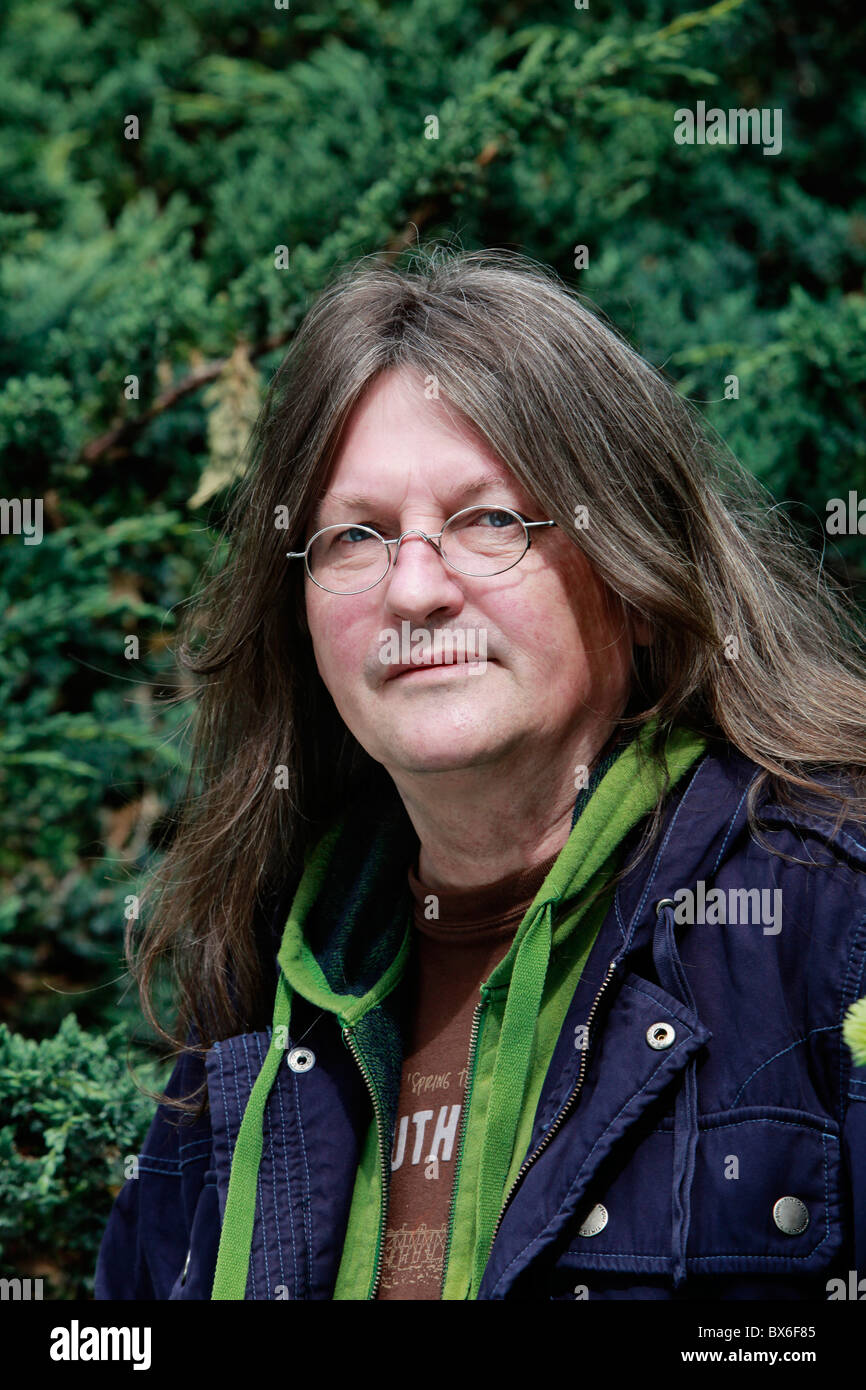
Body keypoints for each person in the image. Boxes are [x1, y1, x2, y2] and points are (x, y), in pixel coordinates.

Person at [95, 246, 866, 1301]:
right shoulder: (263, 990)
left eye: (489, 519)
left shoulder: (828, 917)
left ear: (637, 577)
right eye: (353, 535)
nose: (414, 588)